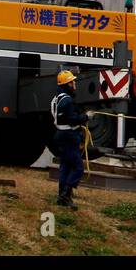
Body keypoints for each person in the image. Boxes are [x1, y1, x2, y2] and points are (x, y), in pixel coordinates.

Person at [50, 70, 89, 209]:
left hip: (60, 134)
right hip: (69, 136)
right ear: (67, 84)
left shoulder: (56, 99)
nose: (75, 84)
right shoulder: (67, 100)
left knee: (65, 167)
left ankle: (62, 195)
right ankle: (66, 195)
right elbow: (71, 119)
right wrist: (86, 117)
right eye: (72, 82)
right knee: (78, 168)